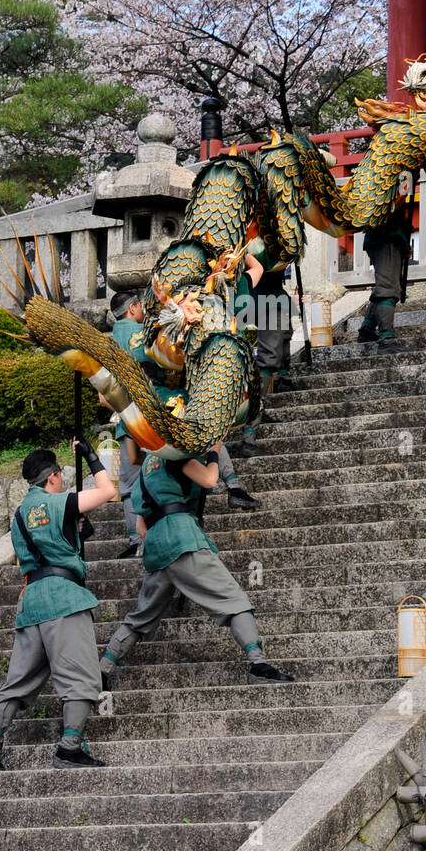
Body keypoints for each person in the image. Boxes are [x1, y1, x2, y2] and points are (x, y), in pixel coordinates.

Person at [99, 441, 293, 691]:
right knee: (234, 601)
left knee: (141, 618)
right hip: (183, 538)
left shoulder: (145, 470)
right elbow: (210, 480)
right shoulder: (174, 456)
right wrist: (213, 452)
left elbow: (140, 529)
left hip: (157, 548)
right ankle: (259, 664)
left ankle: (103, 670)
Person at [0, 439, 117, 772]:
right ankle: (69, 748)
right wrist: (91, 456)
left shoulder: (20, 514)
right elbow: (107, 490)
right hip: (63, 599)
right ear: (52, 477)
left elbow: (43, 543)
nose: (63, 482)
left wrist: (74, 530)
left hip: (32, 600)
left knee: (18, 681)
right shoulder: (59, 503)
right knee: (83, 676)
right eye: (60, 477)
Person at [105, 290, 259, 547]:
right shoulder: (149, 331)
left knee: (133, 482)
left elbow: (105, 397)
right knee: (207, 432)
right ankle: (233, 485)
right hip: (173, 401)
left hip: (137, 411)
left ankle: (136, 541)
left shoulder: (112, 342)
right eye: (140, 306)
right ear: (132, 308)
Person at [238, 266, 297, 459]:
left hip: (274, 298)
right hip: (265, 301)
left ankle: (283, 377)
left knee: (284, 336)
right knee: (268, 357)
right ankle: (249, 432)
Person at [357, 196, 412, 354]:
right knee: (388, 287)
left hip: (388, 236)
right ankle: (387, 339)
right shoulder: (391, 174)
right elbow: (390, 203)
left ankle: (367, 328)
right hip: (386, 235)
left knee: (385, 284)